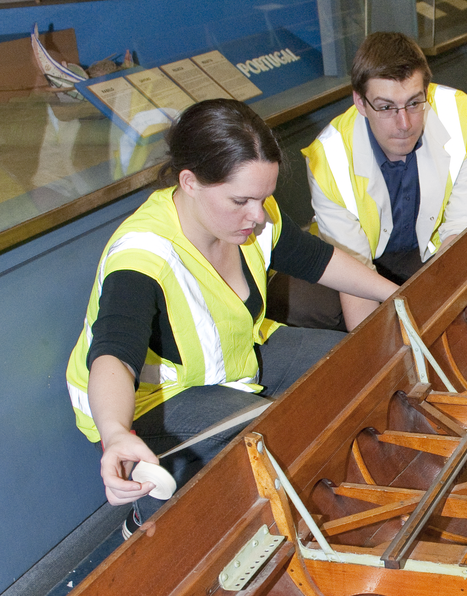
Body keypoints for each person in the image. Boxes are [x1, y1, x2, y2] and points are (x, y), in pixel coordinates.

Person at [66, 99, 398, 536]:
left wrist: (399, 296)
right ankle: (149, 518)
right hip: (155, 397)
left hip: (234, 357)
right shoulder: (142, 254)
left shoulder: (251, 217)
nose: (258, 215)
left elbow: (318, 259)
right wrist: (114, 432)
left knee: (354, 363)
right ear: (190, 182)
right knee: (272, 435)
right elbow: (114, 354)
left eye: (264, 198)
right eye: (241, 199)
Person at [302, 32, 467, 329]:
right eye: (386, 107)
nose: (404, 124)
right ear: (360, 103)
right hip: (359, 256)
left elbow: (463, 230)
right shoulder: (329, 158)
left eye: (414, 103)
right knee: (306, 305)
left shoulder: (459, 115)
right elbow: (354, 276)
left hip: (427, 246)